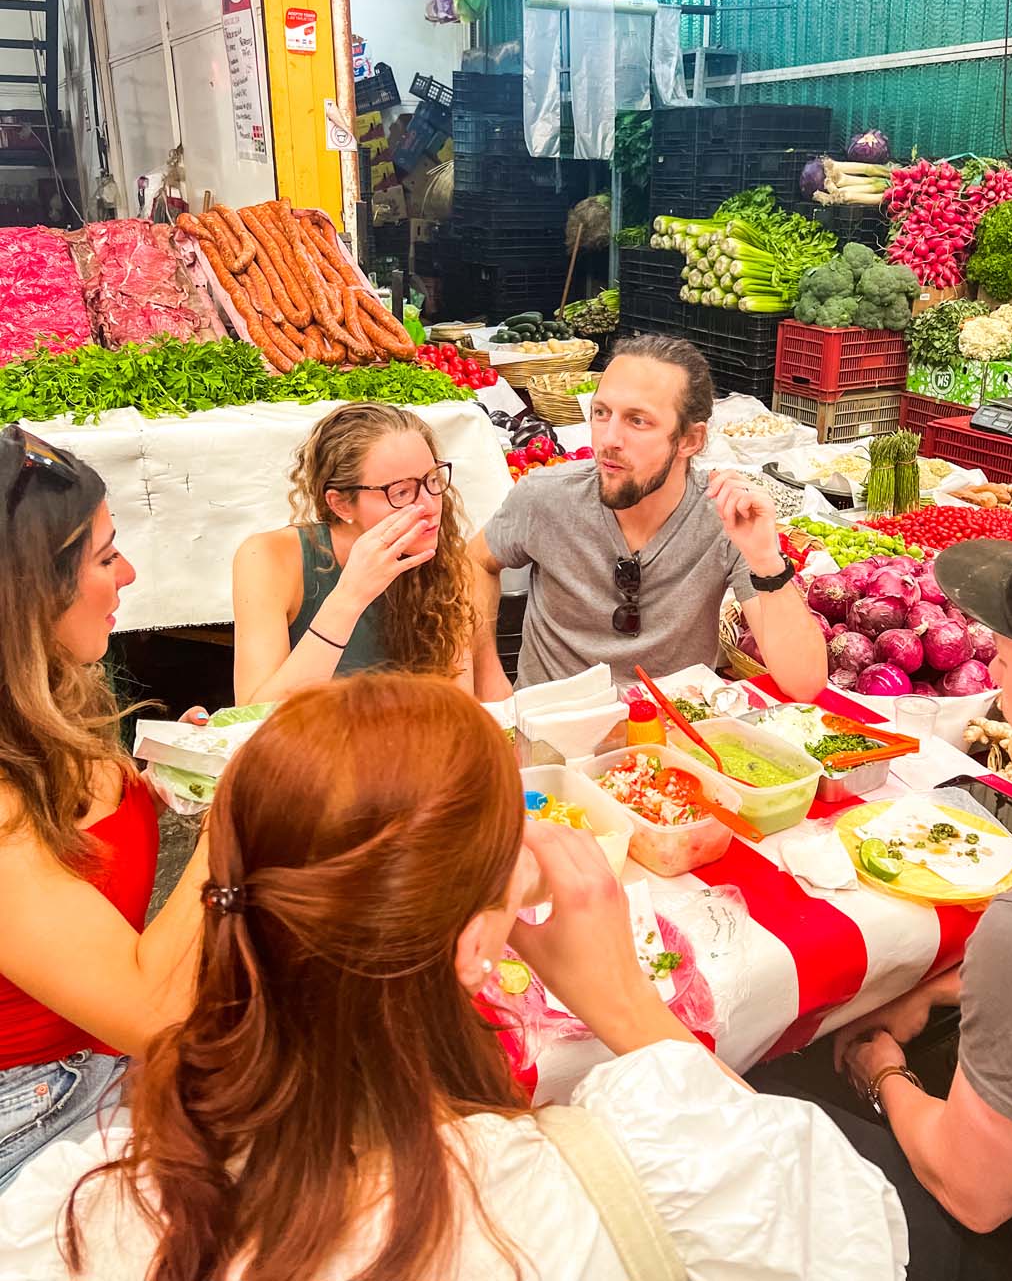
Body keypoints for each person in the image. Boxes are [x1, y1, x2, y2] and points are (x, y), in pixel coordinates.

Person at [1, 673, 908, 1280]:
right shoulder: (618, 1178)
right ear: (478, 946)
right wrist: (624, 1001)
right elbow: (847, 1220)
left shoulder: (77, 1217)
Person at [832, 520, 1012, 1281]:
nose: (988, 660)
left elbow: (975, 1194)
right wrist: (948, 987)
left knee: (787, 1126)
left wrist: (880, 1070)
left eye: (1004, 649)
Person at [0, 427, 208, 1193]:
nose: (129, 573)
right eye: (104, 556)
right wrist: (231, 817)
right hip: (35, 1121)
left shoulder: (51, 699)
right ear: (28, 593)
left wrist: (180, 776)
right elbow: (155, 1014)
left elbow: (89, 845)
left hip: (98, 1070)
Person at [471, 334, 827, 697]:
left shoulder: (723, 517)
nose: (609, 438)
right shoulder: (545, 497)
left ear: (690, 440)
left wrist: (766, 561)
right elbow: (474, 561)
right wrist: (487, 677)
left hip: (670, 736)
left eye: (637, 421)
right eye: (601, 412)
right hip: (550, 731)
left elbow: (804, 684)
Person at [232, 401, 475, 704]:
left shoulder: (445, 564)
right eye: (401, 492)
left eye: (432, 480)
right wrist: (350, 596)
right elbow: (254, 719)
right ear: (341, 504)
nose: (429, 506)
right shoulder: (269, 558)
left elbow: (460, 712)